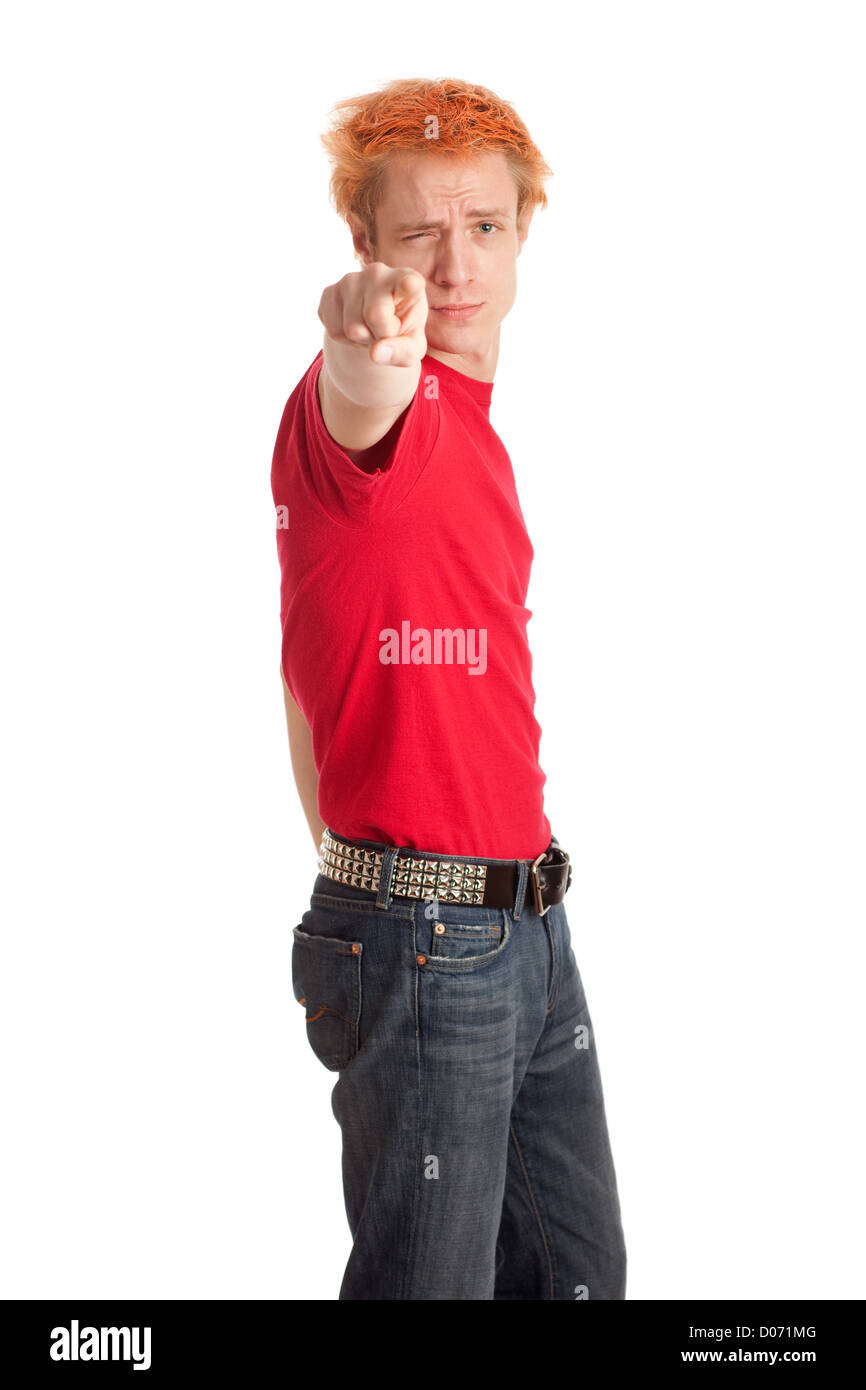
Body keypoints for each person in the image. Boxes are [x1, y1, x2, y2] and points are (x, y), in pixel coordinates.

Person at [270, 77, 627, 1300]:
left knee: (576, 1275)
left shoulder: (474, 426)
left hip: (525, 920)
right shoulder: (378, 418)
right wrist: (357, 335)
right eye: (416, 234)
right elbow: (358, 387)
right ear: (366, 244)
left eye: (481, 226)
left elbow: (308, 662)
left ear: (523, 230)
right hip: (431, 944)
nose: (454, 264)